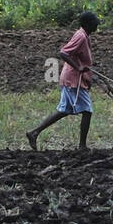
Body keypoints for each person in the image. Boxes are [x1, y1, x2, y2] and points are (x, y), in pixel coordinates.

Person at [26, 11, 98, 150]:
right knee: (87, 111)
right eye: (94, 22)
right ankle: (82, 146)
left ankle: (34, 132)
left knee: (64, 110)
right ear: (88, 24)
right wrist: (78, 68)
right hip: (73, 79)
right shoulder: (81, 36)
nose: (97, 24)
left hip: (74, 78)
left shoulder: (85, 35)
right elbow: (63, 53)